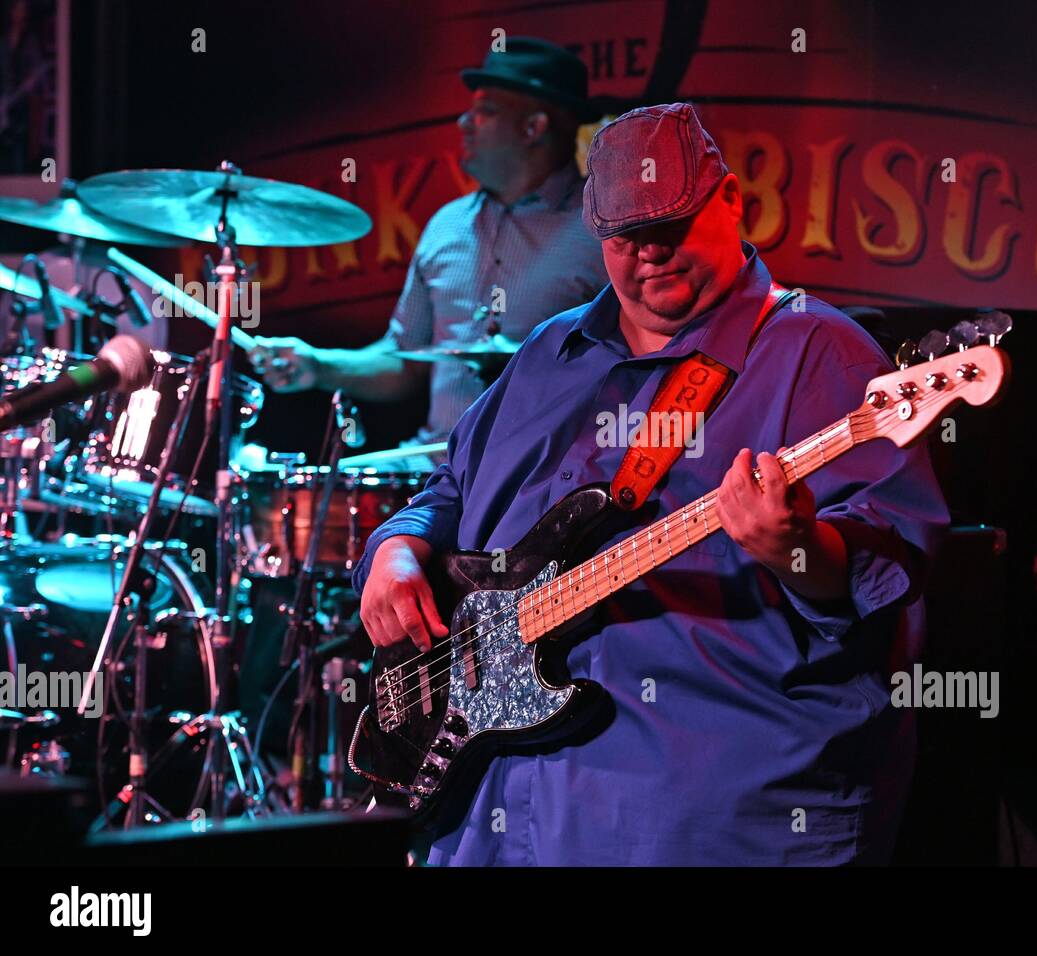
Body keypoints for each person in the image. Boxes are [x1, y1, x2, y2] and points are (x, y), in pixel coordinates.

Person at [353, 102, 950, 865]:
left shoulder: (820, 355)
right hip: (492, 815)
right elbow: (450, 487)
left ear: (729, 202)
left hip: (696, 822)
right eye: (627, 236)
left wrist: (795, 547)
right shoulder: (547, 353)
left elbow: (886, 572)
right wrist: (398, 546)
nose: (651, 254)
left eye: (673, 225)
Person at [247, 37, 607, 463]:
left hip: (555, 471)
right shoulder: (446, 225)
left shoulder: (603, 227)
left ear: (534, 127)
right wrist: (318, 364)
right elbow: (406, 360)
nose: (464, 122)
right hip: (439, 466)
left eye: (485, 110)